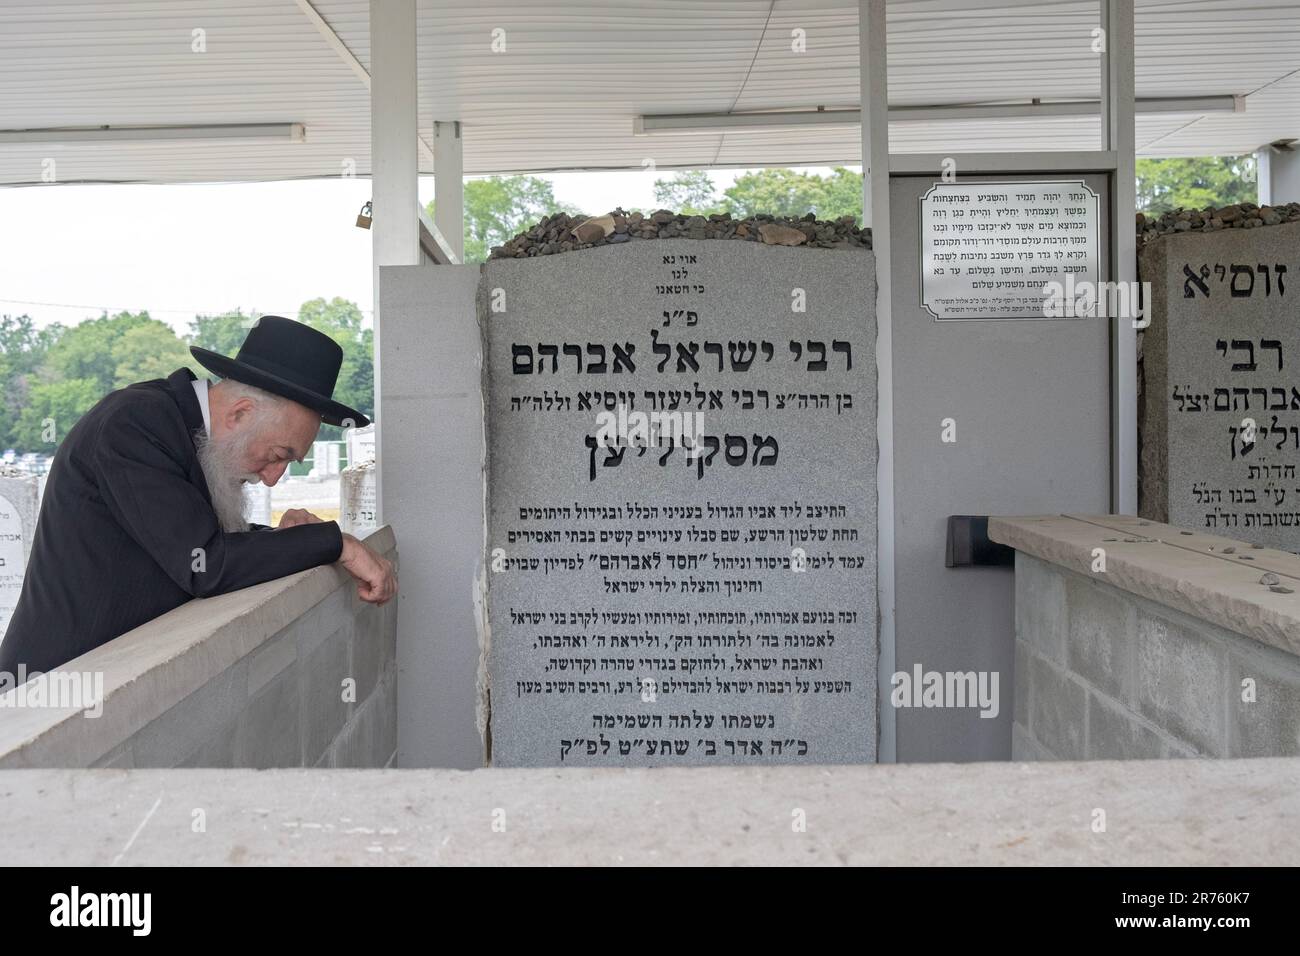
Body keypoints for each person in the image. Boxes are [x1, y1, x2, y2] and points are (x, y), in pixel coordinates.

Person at [0, 315, 397, 675]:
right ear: (239, 414)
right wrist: (335, 544)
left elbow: (195, 536)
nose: (273, 479)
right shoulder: (134, 425)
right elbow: (205, 563)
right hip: (50, 688)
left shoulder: (180, 428)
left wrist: (285, 539)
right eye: (279, 455)